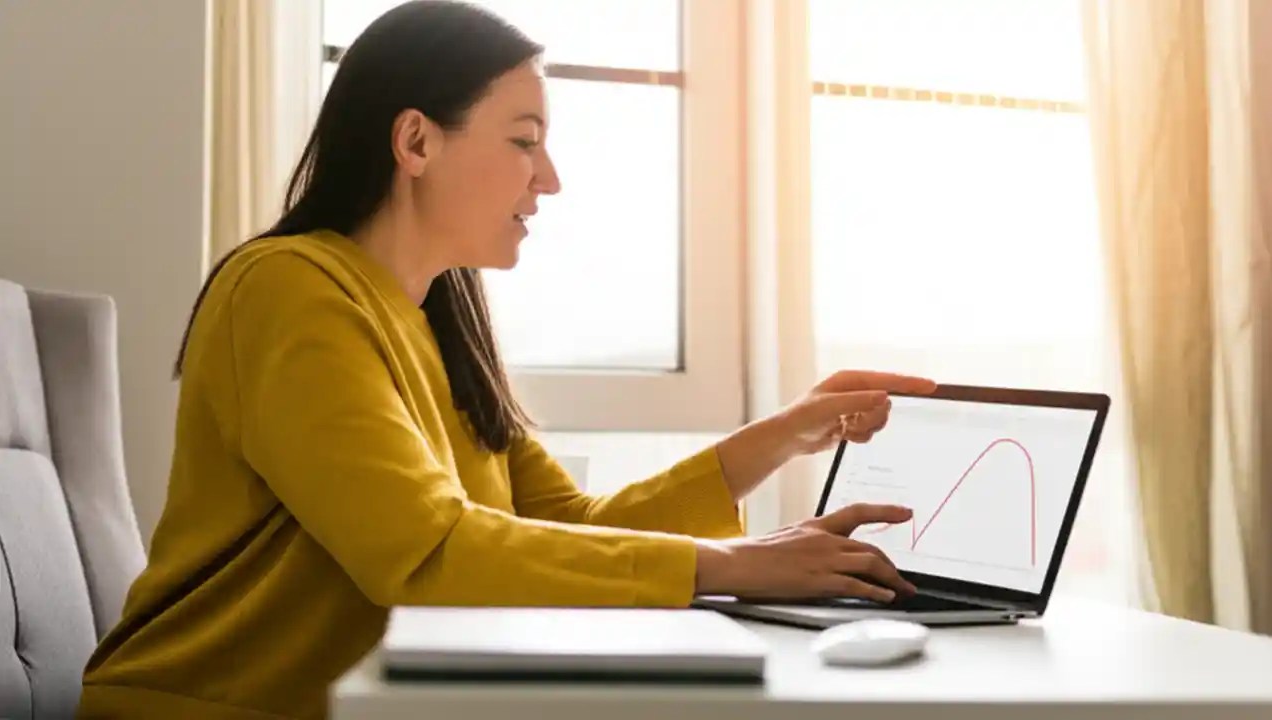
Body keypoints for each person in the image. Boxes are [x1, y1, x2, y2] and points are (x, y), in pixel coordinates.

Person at [77, 2, 935, 718]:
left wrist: (783, 437)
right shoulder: (285, 290)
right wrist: (730, 567)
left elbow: (576, 528)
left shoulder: (438, 315)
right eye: (525, 140)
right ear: (416, 143)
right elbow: (423, 556)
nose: (550, 178)